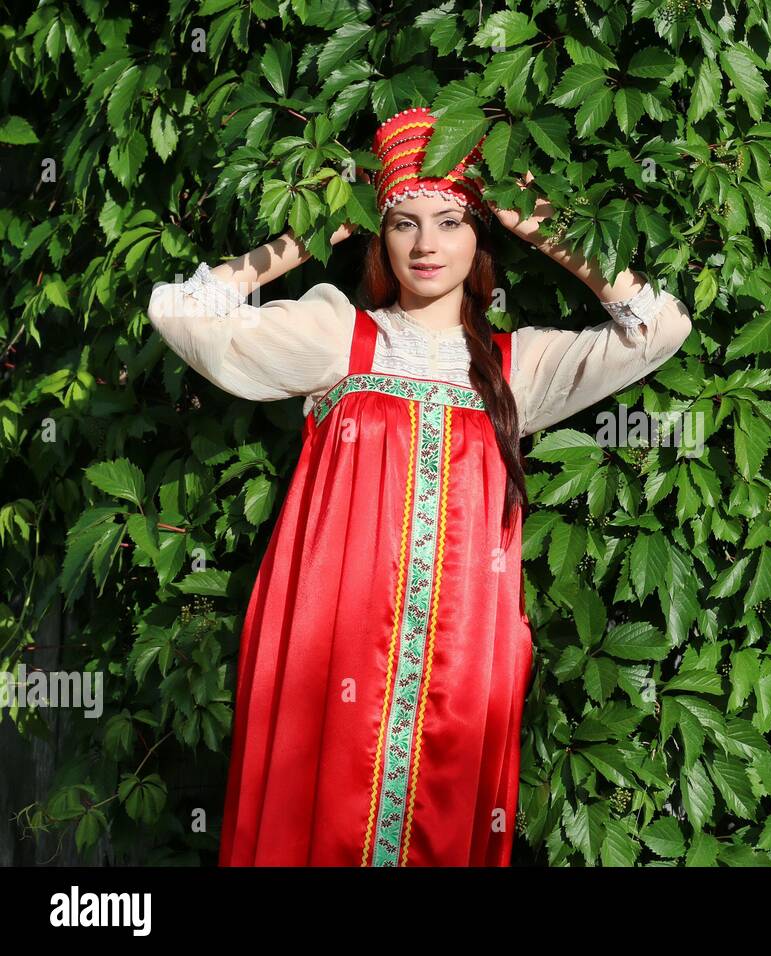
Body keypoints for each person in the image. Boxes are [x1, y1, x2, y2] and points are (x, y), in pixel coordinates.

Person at [145, 106, 692, 865]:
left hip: (466, 662)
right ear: (379, 235)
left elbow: (658, 328)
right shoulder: (338, 336)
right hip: (330, 649)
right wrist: (301, 240)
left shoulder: (515, 367)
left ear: (480, 237)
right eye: (403, 222)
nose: (427, 244)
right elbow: (178, 309)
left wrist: (550, 232)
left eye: (450, 221)